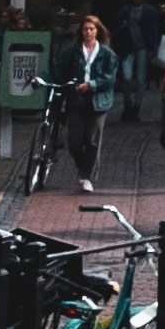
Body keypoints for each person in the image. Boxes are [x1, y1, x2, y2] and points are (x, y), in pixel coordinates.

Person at [71, 10, 120, 198]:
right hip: (77, 100)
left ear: (97, 31)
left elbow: (110, 77)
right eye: (85, 29)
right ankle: (84, 168)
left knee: (92, 140)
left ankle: (86, 176)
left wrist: (91, 85)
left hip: (99, 101)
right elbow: (60, 67)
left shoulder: (107, 53)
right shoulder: (74, 50)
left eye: (91, 29)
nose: (88, 33)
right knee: (74, 142)